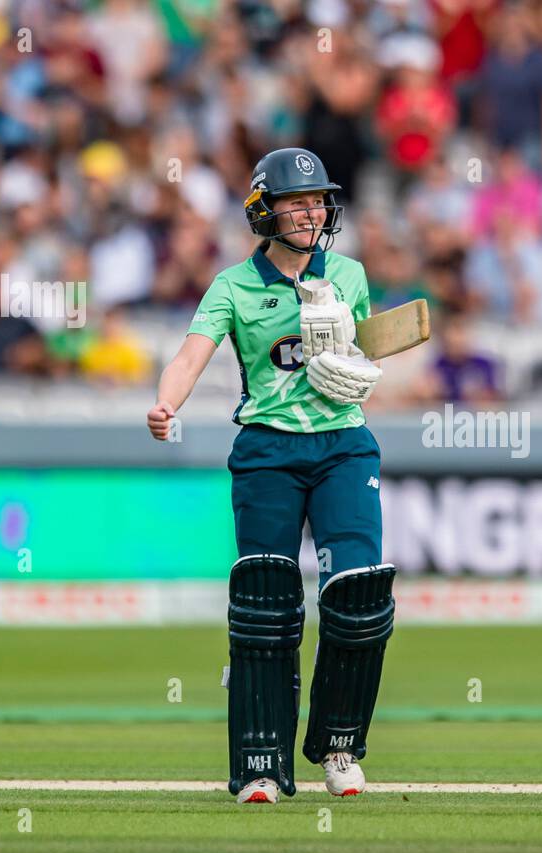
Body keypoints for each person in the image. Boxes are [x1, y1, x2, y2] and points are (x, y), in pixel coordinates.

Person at [146, 148, 394, 806]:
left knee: (358, 594)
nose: (312, 211)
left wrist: (355, 362)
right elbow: (189, 355)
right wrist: (167, 403)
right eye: (297, 202)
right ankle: (261, 761)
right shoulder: (232, 286)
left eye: (318, 201)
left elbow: (371, 359)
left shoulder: (349, 273)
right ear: (265, 210)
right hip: (268, 449)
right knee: (266, 604)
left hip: (343, 443)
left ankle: (339, 747)